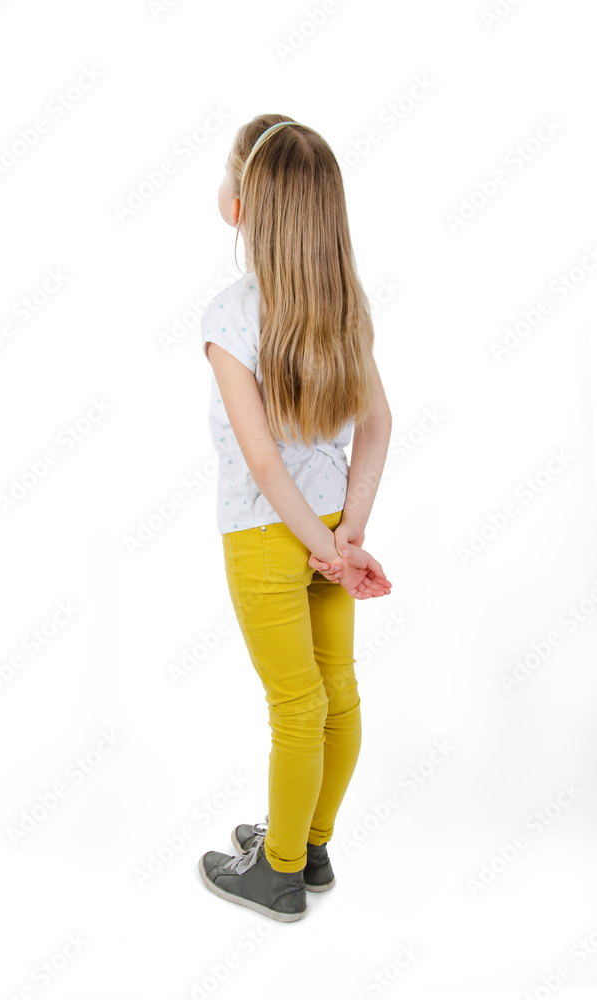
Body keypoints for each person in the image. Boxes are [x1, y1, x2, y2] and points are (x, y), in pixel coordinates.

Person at [197, 115, 393, 923]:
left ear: (241, 207)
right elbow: (379, 422)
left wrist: (326, 549)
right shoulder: (345, 304)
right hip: (329, 527)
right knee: (335, 695)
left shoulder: (230, 316)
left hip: (265, 536)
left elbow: (262, 465)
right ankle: (309, 844)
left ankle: (275, 871)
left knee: (295, 706)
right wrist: (347, 536)